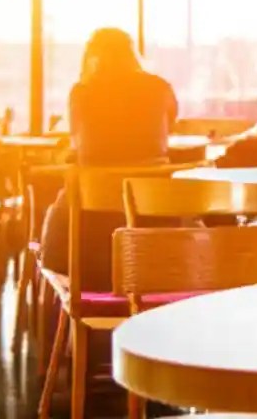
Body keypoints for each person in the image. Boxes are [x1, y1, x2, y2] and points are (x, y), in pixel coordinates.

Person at [42, 27, 179, 290]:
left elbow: (77, 139)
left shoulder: (82, 92)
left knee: (59, 208)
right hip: (156, 242)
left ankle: (57, 322)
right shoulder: (160, 88)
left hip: (87, 252)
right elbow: (169, 128)